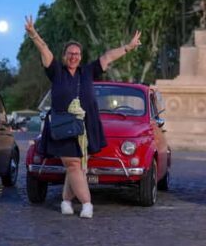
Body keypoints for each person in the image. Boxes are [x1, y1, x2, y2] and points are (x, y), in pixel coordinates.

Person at [24, 15, 141, 218]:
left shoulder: (87, 71)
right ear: (64, 56)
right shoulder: (55, 71)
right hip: (62, 127)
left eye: (77, 54)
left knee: (75, 167)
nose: (73, 57)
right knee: (74, 164)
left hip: (85, 128)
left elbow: (108, 57)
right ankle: (87, 203)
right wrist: (34, 35)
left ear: (81, 56)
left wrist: (128, 47)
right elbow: (44, 50)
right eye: (70, 53)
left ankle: (66, 201)